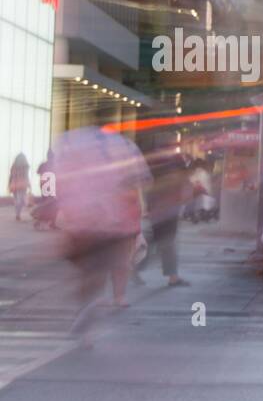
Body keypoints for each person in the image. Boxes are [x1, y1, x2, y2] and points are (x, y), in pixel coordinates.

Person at [53, 127, 151, 334]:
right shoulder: (126, 146)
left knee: (87, 270)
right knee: (109, 266)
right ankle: (100, 303)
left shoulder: (72, 143)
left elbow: (60, 180)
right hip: (115, 222)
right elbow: (143, 179)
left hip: (81, 221)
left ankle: (85, 306)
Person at [144, 142, 192, 287]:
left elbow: (147, 183)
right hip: (169, 207)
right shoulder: (176, 159)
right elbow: (185, 180)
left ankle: (133, 266)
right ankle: (173, 277)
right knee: (166, 241)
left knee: (156, 240)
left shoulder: (153, 161)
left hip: (157, 206)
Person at [8, 152, 30, 221]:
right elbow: (26, 176)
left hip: (14, 184)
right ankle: (18, 213)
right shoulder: (25, 166)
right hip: (22, 184)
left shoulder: (14, 166)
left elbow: (11, 176)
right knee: (21, 199)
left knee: (17, 199)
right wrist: (29, 184)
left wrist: (9, 184)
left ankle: (17, 214)